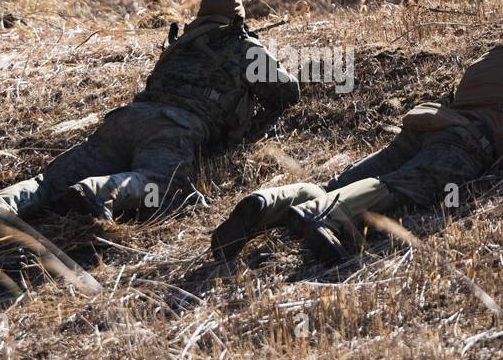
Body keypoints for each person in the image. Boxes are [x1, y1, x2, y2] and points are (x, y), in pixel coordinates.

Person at [0, 0, 300, 248]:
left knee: (47, 182)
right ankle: (98, 191)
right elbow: (287, 92)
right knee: (159, 185)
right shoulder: (244, 46)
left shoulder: (180, 45)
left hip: (126, 120)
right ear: (237, 18)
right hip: (173, 129)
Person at [211, 45, 503, 264]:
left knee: (336, 186)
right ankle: (323, 217)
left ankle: (266, 204)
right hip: (464, 140)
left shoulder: (487, 59)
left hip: (426, 124)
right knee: (401, 185)